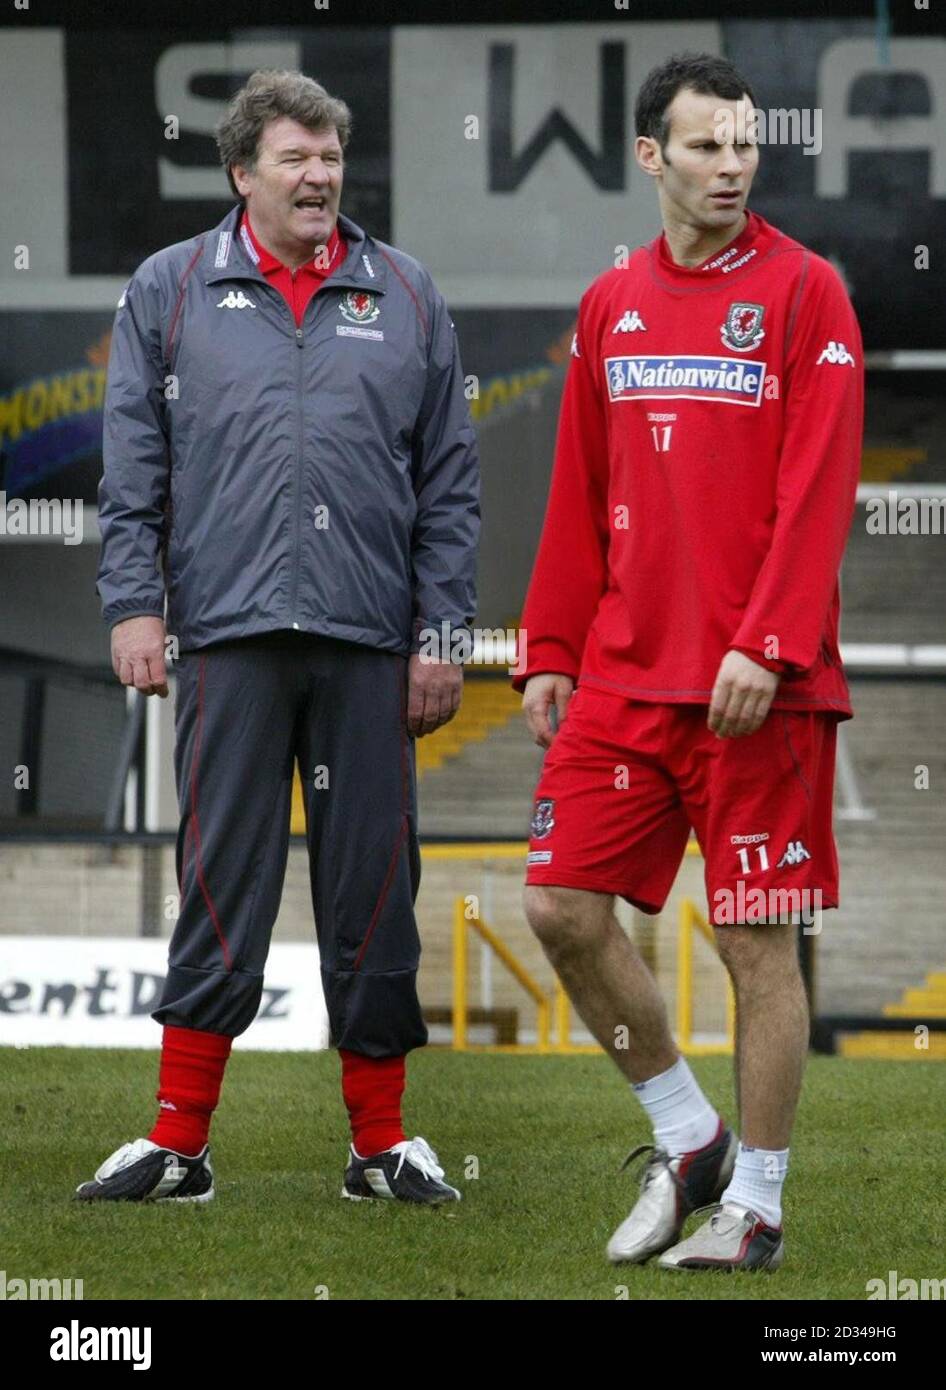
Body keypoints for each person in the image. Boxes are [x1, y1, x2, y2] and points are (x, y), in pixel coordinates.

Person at [77, 69, 479, 1206]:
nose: (320, 177)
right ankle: (176, 1146)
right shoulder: (168, 288)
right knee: (215, 884)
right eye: (296, 158)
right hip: (224, 635)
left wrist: (441, 631)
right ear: (242, 172)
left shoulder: (403, 290)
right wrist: (133, 603)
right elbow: (133, 473)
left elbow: (449, 483)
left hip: (368, 643)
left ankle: (382, 1148)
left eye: (331, 157)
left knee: (371, 890)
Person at [514, 52, 863, 1271]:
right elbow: (580, 488)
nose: (731, 164)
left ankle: (754, 1208)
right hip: (625, 675)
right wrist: (551, 642)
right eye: (705, 145)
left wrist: (767, 640)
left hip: (758, 685)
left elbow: (820, 492)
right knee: (555, 902)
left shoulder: (808, 292)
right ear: (652, 156)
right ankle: (688, 1135)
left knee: (752, 941)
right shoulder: (611, 305)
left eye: (745, 143)